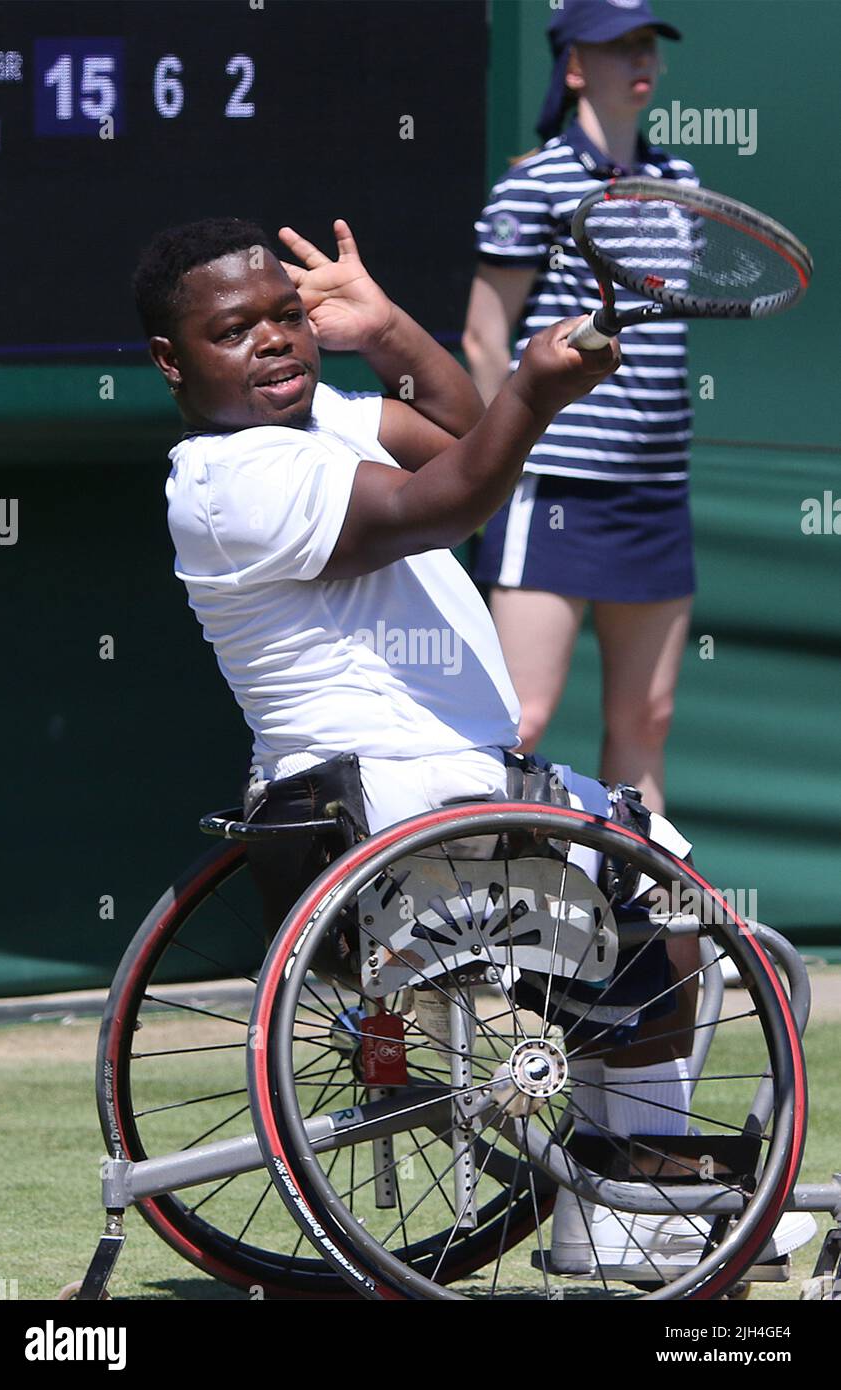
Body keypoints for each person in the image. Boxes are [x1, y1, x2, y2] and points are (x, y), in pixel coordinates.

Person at [132, 214, 813, 1277]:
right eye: (235, 330)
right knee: (660, 924)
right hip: (386, 822)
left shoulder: (336, 421)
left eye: (286, 315)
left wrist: (393, 331)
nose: (273, 340)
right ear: (172, 361)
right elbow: (441, 501)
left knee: (668, 910)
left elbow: (453, 431)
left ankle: (627, 1202)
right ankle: (638, 1209)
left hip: (456, 806)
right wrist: (536, 392)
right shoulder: (230, 477)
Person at [463, 0, 696, 816]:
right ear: (573, 66)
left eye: (647, 43)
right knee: (515, 722)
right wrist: (507, 460)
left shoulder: (683, 187)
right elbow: (485, 340)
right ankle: (456, 922)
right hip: (553, 489)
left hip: (656, 491)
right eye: (614, 44)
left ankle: (651, 937)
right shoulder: (534, 183)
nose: (639, 58)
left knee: (648, 719)